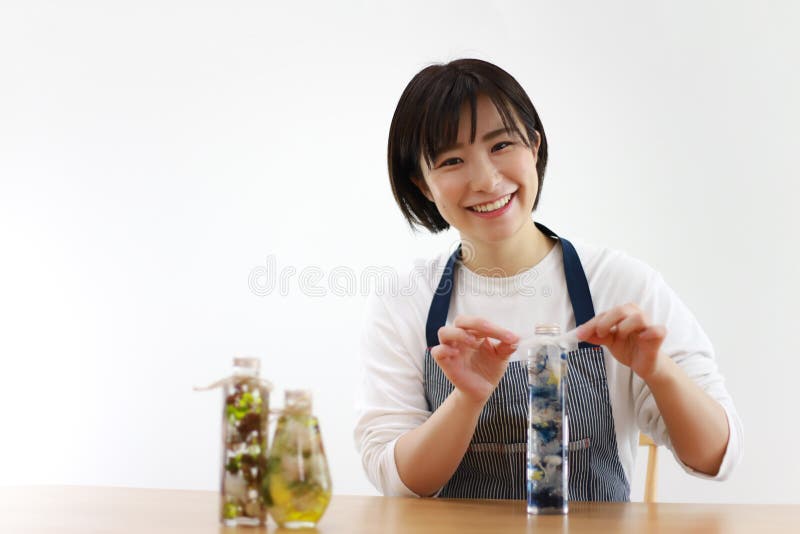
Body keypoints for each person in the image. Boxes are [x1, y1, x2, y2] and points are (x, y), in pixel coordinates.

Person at [354, 58, 742, 500]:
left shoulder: (619, 283)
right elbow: (396, 480)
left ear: (534, 146)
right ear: (422, 185)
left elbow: (718, 457)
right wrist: (466, 400)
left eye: (500, 146)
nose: (485, 179)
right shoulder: (404, 300)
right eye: (452, 160)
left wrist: (658, 371)